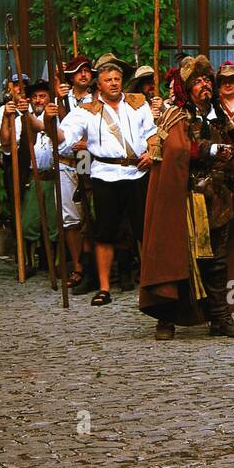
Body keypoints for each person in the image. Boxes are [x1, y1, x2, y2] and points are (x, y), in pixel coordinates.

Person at [140, 56, 234, 339]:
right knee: (175, 255)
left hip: (217, 197)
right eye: (198, 82)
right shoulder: (176, 115)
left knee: (217, 259)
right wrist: (208, 150)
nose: (204, 85)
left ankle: (219, 317)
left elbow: (231, 146)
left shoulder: (219, 114)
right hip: (184, 197)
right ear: (186, 88)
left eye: (207, 81)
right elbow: (177, 150)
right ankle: (166, 319)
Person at [48, 56, 156, 306]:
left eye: (117, 79)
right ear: (99, 85)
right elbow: (64, 137)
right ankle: (105, 288)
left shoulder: (138, 103)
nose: (114, 83)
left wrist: (152, 153)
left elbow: (151, 134)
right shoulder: (86, 112)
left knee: (143, 230)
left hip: (137, 174)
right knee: (105, 233)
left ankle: (150, 282)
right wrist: (48, 122)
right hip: (104, 176)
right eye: (108, 80)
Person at [0, 79, 59, 276]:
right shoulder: (20, 119)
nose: (39, 100)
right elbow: (6, 142)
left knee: (55, 223)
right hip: (33, 178)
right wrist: (8, 117)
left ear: (49, 98)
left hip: (55, 177)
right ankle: (28, 263)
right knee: (28, 223)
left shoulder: (59, 116)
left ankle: (56, 264)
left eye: (42, 96)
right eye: (35, 97)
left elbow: (45, 128)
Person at [54, 54, 96, 294]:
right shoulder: (61, 98)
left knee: (89, 214)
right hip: (65, 161)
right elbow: (54, 128)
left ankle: (91, 268)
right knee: (70, 217)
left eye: (87, 70)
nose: (83, 74)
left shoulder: (96, 100)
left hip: (86, 160)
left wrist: (87, 144)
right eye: (78, 70)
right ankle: (78, 266)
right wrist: (58, 100)